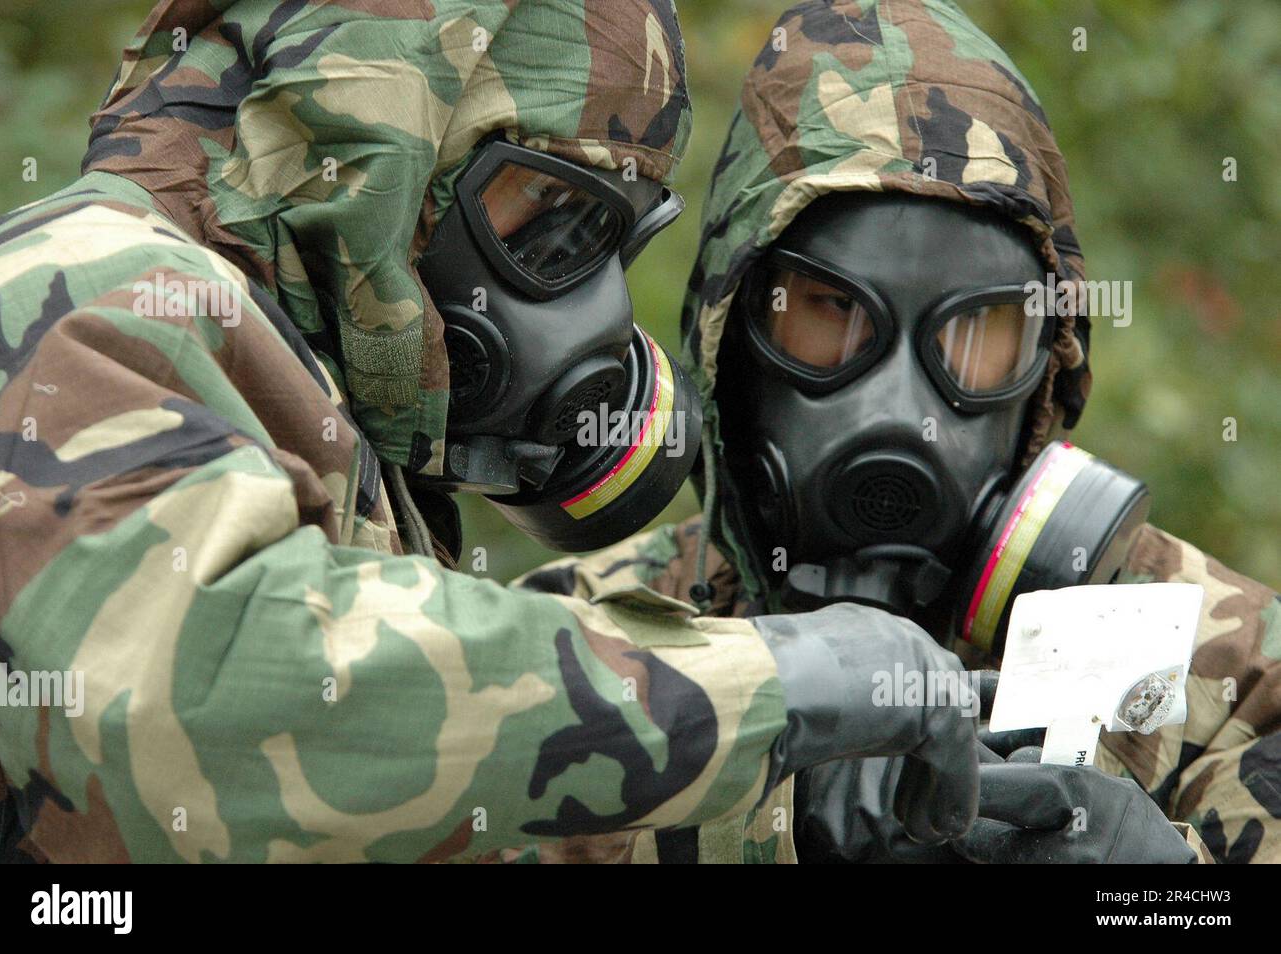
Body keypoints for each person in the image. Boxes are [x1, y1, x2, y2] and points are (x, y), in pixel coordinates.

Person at [0, 1, 989, 863]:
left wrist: (794, 815)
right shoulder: (88, 284)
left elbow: (395, 800)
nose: (592, 309)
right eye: (553, 214)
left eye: (610, 242)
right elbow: (206, 702)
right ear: (386, 136)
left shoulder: (307, 401)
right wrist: (771, 684)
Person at [503, 0, 1277, 863]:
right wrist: (752, 828)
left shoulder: (1230, 671)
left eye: (974, 332)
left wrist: (1166, 892)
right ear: (729, 343)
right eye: (833, 314)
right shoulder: (572, 646)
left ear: (1047, 367)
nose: (900, 410)